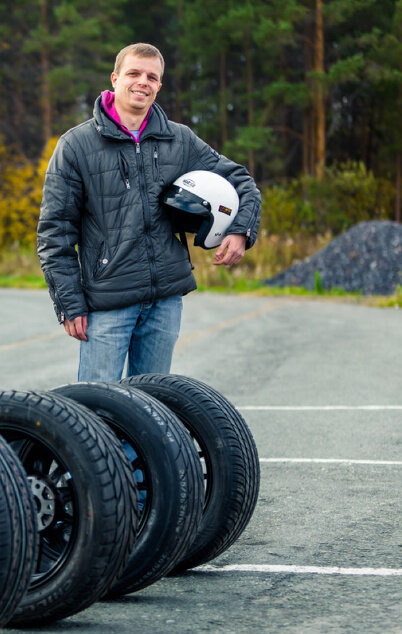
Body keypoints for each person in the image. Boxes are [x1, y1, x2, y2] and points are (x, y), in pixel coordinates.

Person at [36, 42, 260, 382]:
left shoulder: (179, 139)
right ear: (115, 78)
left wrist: (240, 230)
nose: (143, 82)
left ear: (159, 85)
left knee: (152, 410)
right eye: (134, 73)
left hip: (165, 301)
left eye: (152, 77)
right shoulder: (76, 145)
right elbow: (55, 234)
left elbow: (240, 179)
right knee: (98, 409)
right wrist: (69, 304)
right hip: (107, 300)